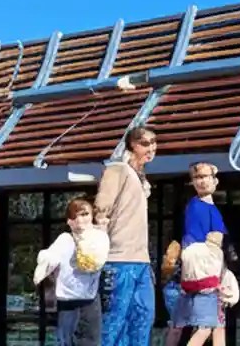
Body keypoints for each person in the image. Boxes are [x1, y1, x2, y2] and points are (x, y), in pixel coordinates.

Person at [95, 127, 156, 346]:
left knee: (143, 319)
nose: (151, 148)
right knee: (114, 323)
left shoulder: (141, 178)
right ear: (132, 146)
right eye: (145, 143)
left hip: (141, 261)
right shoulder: (118, 169)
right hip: (118, 259)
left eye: (153, 142)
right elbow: (102, 209)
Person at [165, 161, 229, 346]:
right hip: (202, 273)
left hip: (200, 271)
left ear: (215, 180)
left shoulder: (208, 208)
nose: (201, 181)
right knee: (206, 326)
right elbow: (199, 243)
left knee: (214, 324)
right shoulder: (196, 206)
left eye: (205, 176)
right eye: (197, 177)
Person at [34, 198, 109, 346]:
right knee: (66, 341)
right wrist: (42, 267)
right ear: (69, 221)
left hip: (90, 300)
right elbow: (50, 257)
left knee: (91, 341)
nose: (81, 220)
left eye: (85, 214)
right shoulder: (65, 240)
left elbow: (99, 258)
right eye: (76, 216)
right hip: (68, 302)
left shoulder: (98, 237)